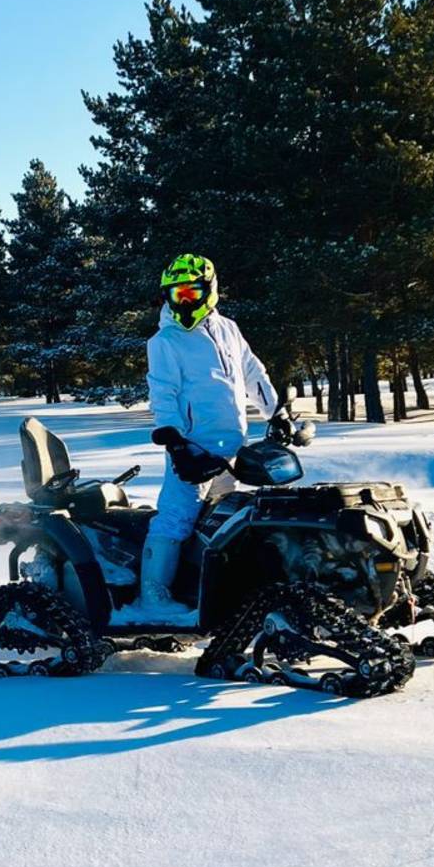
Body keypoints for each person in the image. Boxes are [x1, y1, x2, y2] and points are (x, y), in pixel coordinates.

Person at [141, 254, 288, 625]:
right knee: (177, 516)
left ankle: (218, 590)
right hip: (192, 449)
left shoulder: (228, 329)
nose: (184, 301)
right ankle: (153, 595)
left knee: (225, 522)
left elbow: (253, 371)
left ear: (210, 290)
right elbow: (163, 392)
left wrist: (276, 412)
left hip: (233, 449)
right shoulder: (165, 341)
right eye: (177, 295)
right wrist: (175, 442)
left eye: (191, 292)